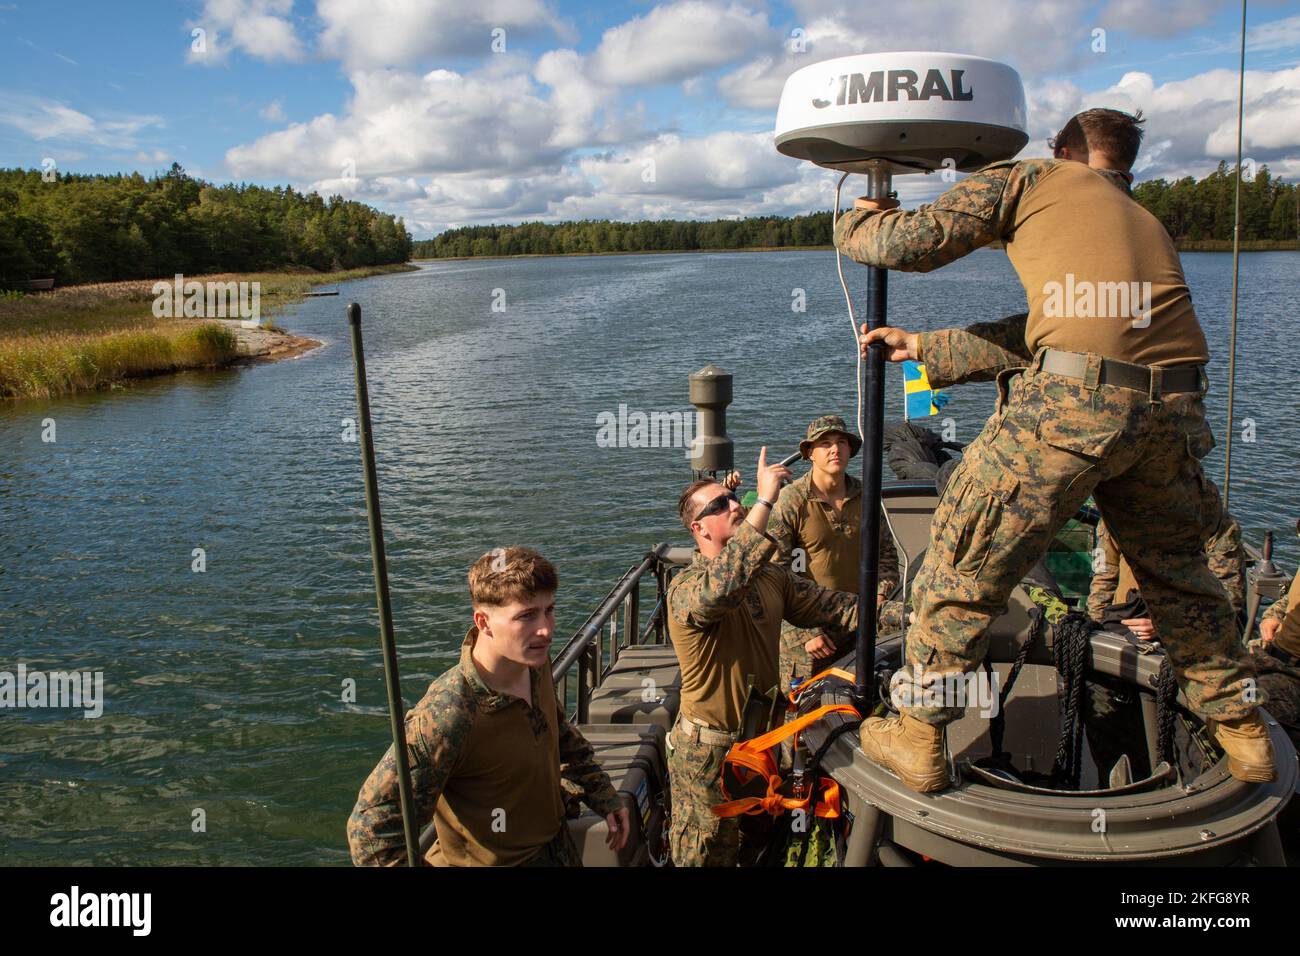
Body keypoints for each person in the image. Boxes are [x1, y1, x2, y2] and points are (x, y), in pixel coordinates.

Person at [836, 107, 1274, 790]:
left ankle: (920, 733)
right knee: (1179, 574)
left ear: (1061, 148)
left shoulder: (1033, 180)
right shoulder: (1141, 221)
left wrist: (860, 217)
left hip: (1077, 409)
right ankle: (1243, 730)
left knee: (963, 554)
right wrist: (925, 348)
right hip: (1172, 411)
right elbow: (1062, 328)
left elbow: (911, 244)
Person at [347, 547, 630, 866]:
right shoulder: (449, 713)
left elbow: (558, 733)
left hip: (557, 849)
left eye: (549, 610)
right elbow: (370, 830)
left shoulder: (533, 662)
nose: (546, 630)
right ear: (484, 622)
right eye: (526, 616)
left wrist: (602, 795)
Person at [667, 447, 860, 865]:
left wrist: (916, 614)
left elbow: (837, 606)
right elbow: (720, 589)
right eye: (721, 504)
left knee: (761, 844)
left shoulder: (770, 577)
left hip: (762, 745)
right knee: (706, 852)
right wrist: (767, 500)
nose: (735, 505)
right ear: (699, 528)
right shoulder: (685, 589)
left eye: (734, 499)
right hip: (709, 756)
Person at [767, 415, 901, 685]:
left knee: (855, 707)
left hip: (858, 625)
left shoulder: (865, 496)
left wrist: (879, 595)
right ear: (810, 454)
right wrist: (804, 633)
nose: (834, 449)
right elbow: (774, 575)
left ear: (850, 450)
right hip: (809, 632)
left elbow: (886, 554)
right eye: (825, 443)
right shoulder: (792, 501)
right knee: (803, 714)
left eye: (841, 442)